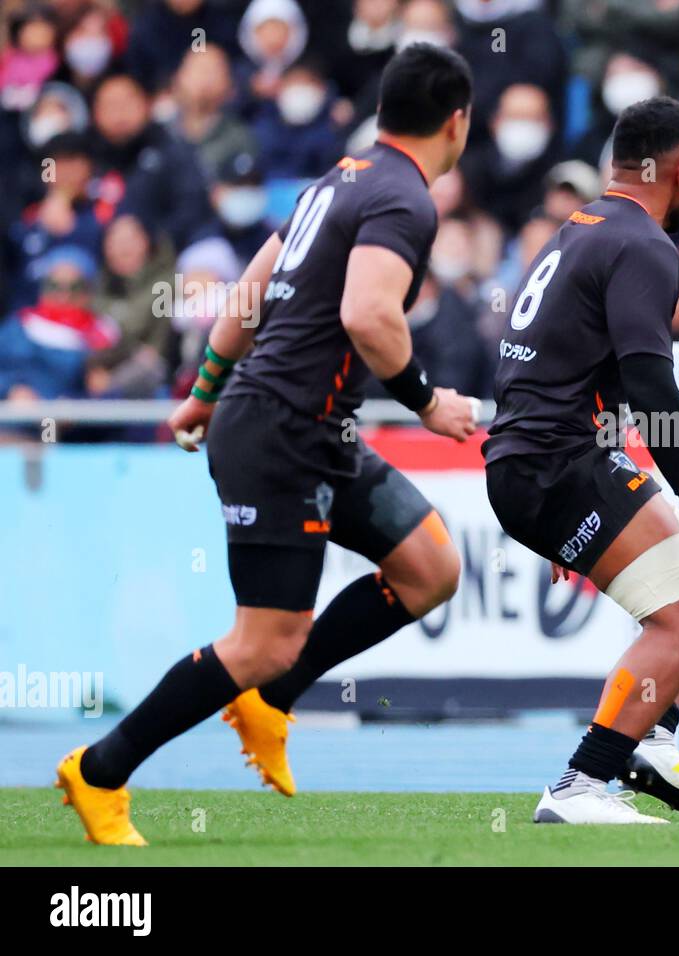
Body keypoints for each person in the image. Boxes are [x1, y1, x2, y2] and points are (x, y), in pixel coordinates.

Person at [55, 44, 480, 846]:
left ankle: (269, 701)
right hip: (283, 430)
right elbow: (367, 314)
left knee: (430, 568)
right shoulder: (405, 200)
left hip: (305, 423)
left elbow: (249, 289)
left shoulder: (339, 180)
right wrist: (428, 402)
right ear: (457, 122)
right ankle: (99, 772)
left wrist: (203, 391)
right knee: (262, 641)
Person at [483, 97, 679, 825]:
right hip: (555, 464)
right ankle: (579, 786)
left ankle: (652, 742)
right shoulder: (644, 244)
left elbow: (547, 362)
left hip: (542, 461)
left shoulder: (578, 229)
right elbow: (649, 383)